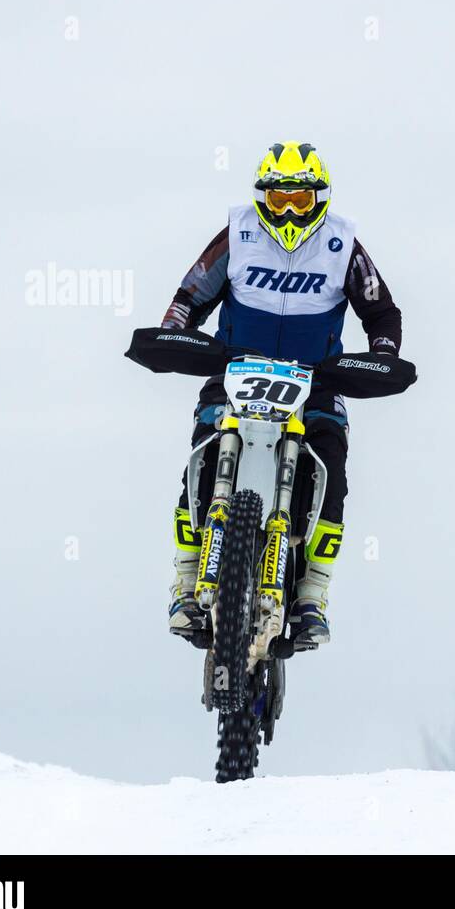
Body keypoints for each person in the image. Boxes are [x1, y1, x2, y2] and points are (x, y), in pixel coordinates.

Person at [160, 141, 402, 648]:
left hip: (316, 379)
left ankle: (312, 594)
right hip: (235, 370)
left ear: (319, 198)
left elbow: (381, 312)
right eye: (278, 201)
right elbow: (190, 295)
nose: (289, 211)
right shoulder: (238, 233)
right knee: (198, 460)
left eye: (299, 200)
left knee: (332, 470)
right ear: (262, 199)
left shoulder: (343, 244)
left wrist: (382, 353)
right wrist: (175, 328)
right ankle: (186, 584)